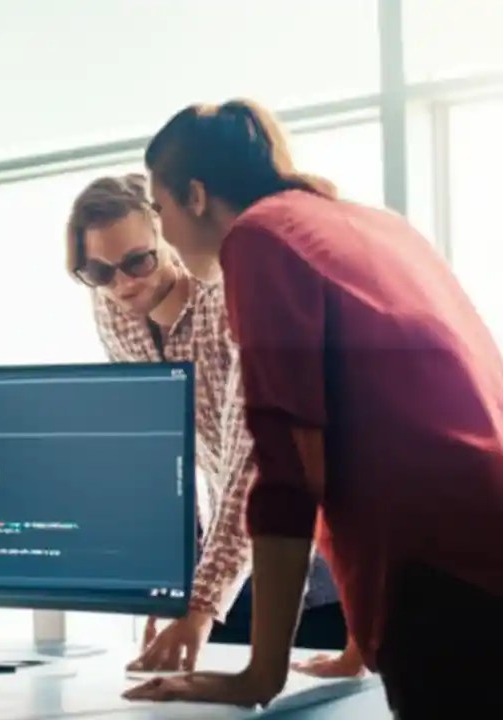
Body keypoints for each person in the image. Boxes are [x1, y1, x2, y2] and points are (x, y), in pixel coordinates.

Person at [123, 99, 503, 716]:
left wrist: (258, 674)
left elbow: (288, 470)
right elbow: (395, 422)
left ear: (194, 196)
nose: (162, 230)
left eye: (159, 207)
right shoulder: (372, 224)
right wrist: (359, 648)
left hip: (448, 582)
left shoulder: (255, 239)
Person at [66, 174, 346, 672]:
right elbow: (156, 457)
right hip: (237, 551)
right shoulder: (112, 305)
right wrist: (168, 590)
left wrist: (199, 606)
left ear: (166, 238)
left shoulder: (229, 296)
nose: (123, 283)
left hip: (328, 547)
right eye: (101, 271)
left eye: (138, 261)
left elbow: (253, 457)